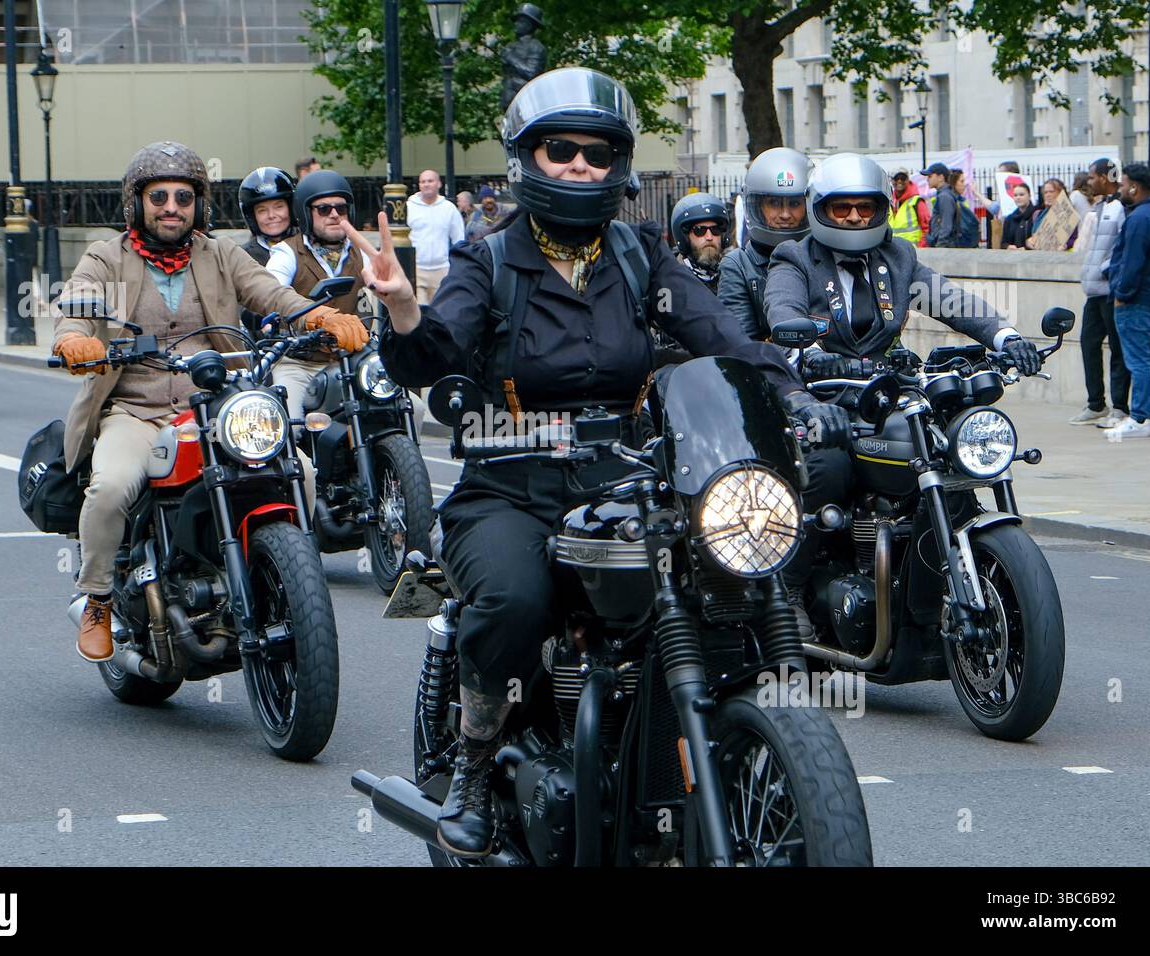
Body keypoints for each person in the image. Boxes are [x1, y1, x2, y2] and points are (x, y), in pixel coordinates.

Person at [345, 67, 839, 859]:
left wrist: (797, 399)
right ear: (525, 159)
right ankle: (474, 763)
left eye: (597, 153)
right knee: (513, 599)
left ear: (619, 165)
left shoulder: (643, 256)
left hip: (629, 481)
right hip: (510, 488)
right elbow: (433, 354)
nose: (579, 166)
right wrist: (402, 307)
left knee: (731, 574)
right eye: (560, 150)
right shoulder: (490, 261)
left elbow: (723, 337)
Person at [50, 141, 368, 663]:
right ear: (138, 202)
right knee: (109, 487)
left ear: (198, 204)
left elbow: (272, 294)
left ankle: (290, 579)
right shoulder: (106, 255)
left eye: (183, 196)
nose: (171, 207)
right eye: (159, 197)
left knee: (301, 470)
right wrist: (73, 339)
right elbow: (79, 302)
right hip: (138, 408)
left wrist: (319, 317)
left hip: (217, 405)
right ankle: (99, 598)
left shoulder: (220, 253)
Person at [763, 153, 1040, 621]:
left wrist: (1005, 336)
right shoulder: (795, 257)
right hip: (821, 398)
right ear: (820, 210)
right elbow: (782, 309)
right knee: (827, 468)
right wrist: (807, 351)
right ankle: (787, 592)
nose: (855, 216)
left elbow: (949, 299)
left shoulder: (898, 256)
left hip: (886, 393)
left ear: (882, 210)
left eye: (865, 207)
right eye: (841, 207)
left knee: (943, 443)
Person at [263, 169, 368, 420]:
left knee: (409, 406)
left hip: (350, 360)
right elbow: (271, 289)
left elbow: (384, 286)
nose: (334, 214)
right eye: (323, 209)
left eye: (340, 209)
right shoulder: (287, 253)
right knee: (289, 422)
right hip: (299, 363)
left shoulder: (361, 251)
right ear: (305, 213)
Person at [717, 147, 811, 341]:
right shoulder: (739, 265)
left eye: (794, 204)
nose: (785, 214)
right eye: (775, 203)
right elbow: (741, 342)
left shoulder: (820, 255)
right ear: (759, 207)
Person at [1103, 162, 1150, 440]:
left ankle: (1139, 417)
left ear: (1134, 187)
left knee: (1139, 360)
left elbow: (1132, 262)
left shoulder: (1140, 218)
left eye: (1123, 183)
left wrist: (1122, 294)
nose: (1119, 188)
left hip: (1135, 299)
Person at [1070, 158, 1131, 427]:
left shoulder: (1121, 208)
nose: (1089, 182)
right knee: (1089, 344)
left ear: (1105, 178)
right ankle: (1096, 404)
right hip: (1094, 291)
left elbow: (1122, 247)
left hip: (1110, 289)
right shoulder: (1101, 206)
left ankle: (1119, 407)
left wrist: (1106, 271)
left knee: (1117, 349)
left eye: (1093, 177)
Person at [406, 169, 464, 304]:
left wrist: (456, 267)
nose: (426, 184)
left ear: (439, 184)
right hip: (417, 269)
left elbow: (459, 239)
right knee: (420, 313)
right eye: (423, 181)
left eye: (430, 181)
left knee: (440, 312)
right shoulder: (408, 207)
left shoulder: (449, 208)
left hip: (442, 270)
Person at [669, 190, 731, 293]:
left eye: (715, 229)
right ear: (684, 238)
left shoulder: (733, 275)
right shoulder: (671, 282)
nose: (709, 237)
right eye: (699, 230)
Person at [237, 166, 298, 266]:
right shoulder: (241, 257)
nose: (271, 215)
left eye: (278, 207)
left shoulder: (310, 248)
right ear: (252, 216)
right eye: (262, 210)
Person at [1025, 178, 1078, 250]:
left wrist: (1066, 245)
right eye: (1045, 192)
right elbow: (1031, 237)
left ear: (1061, 193)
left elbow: (1074, 239)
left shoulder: (1069, 214)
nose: (1048, 195)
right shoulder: (1037, 214)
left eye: (1051, 192)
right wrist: (1028, 242)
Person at [889, 168, 930, 247]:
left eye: (902, 178)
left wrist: (920, 248)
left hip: (915, 253)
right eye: (896, 178)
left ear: (908, 180)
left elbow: (927, 229)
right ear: (892, 181)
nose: (899, 181)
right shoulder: (891, 203)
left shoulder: (917, 202)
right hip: (896, 253)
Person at [922, 162, 958, 248]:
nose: (927, 179)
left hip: (945, 248)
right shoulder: (943, 195)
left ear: (940, 177)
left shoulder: (944, 197)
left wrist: (940, 246)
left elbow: (946, 225)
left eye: (930, 176)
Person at [1002, 180, 1039, 249]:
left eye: (1021, 194)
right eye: (1015, 195)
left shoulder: (1037, 215)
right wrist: (1008, 246)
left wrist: (1026, 248)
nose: (1018, 197)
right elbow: (1003, 243)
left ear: (1029, 196)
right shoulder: (1009, 219)